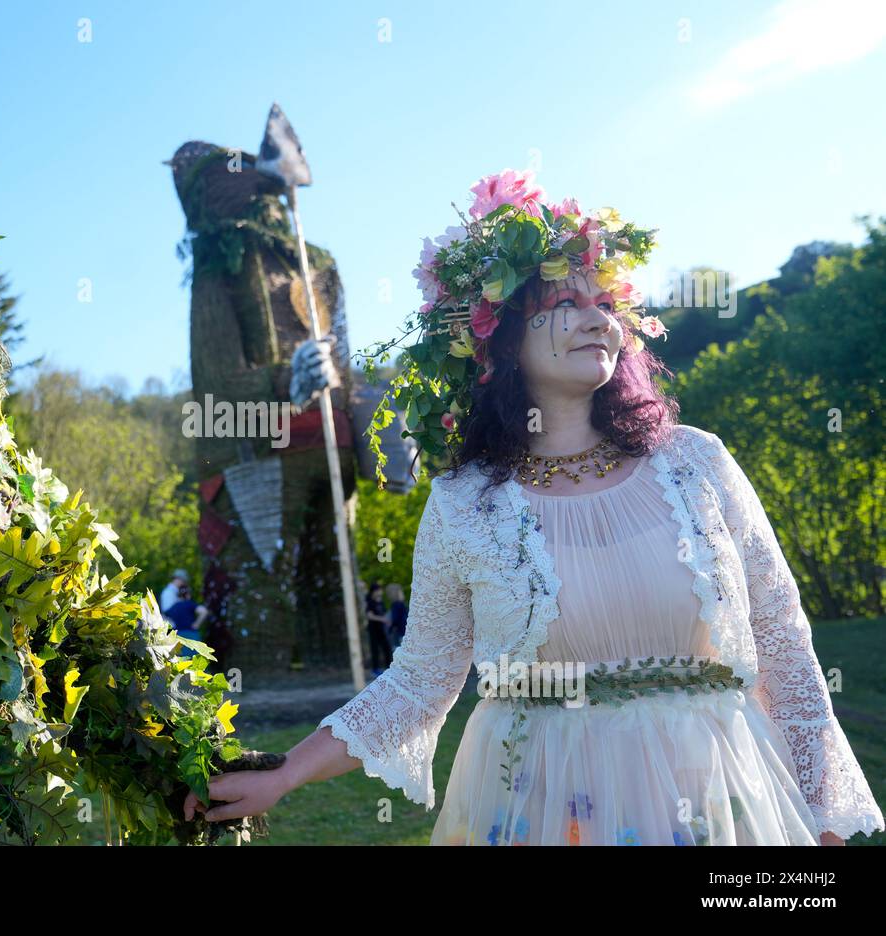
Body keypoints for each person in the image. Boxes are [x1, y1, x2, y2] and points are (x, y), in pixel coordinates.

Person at [182, 169, 885, 845]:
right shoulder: (465, 504)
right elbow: (419, 682)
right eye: (563, 306)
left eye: (605, 305)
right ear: (501, 340)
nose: (595, 321)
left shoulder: (696, 462)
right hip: (540, 807)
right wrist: (282, 775)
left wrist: (819, 818)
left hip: (712, 805)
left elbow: (786, 652)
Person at [163, 584, 210, 660]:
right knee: (197, 661)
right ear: (188, 594)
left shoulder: (174, 606)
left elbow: (163, 616)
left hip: (178, 637)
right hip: (192, 636)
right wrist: (196, 624)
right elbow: (204, 611)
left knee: (183, 662)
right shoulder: (190, 604)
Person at [364, 582, 392, 676]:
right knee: (375, 649)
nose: (381, 592)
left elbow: (383, 613)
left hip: (381, 629)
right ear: (374, 591)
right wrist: (382, 619)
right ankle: (375, 669)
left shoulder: (380, 601)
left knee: (387, 647)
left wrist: (387, 620)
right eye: (379, 590)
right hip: (373, 629)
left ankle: (389, 667)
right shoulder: (370, 602)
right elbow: (369, 616)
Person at [385, 583, 408, 650]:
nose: (402, 594)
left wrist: (391, 628)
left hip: (402, 631)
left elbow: (395, 619)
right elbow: (396, 619)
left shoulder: (396, 605)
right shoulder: (398, 604)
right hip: (402, 630)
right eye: (401, 592)